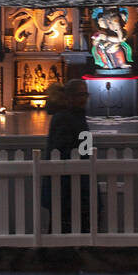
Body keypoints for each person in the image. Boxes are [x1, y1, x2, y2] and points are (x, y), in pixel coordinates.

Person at [42, 77, 91, 233]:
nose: (84, 99)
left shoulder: (77, 116)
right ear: (69, 97)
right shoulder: (65, 117)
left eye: (85, 94)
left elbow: (85, 146)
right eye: (80, 95)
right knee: (62, 222)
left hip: (77, 178)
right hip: (65, 182)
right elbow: (61, 148)